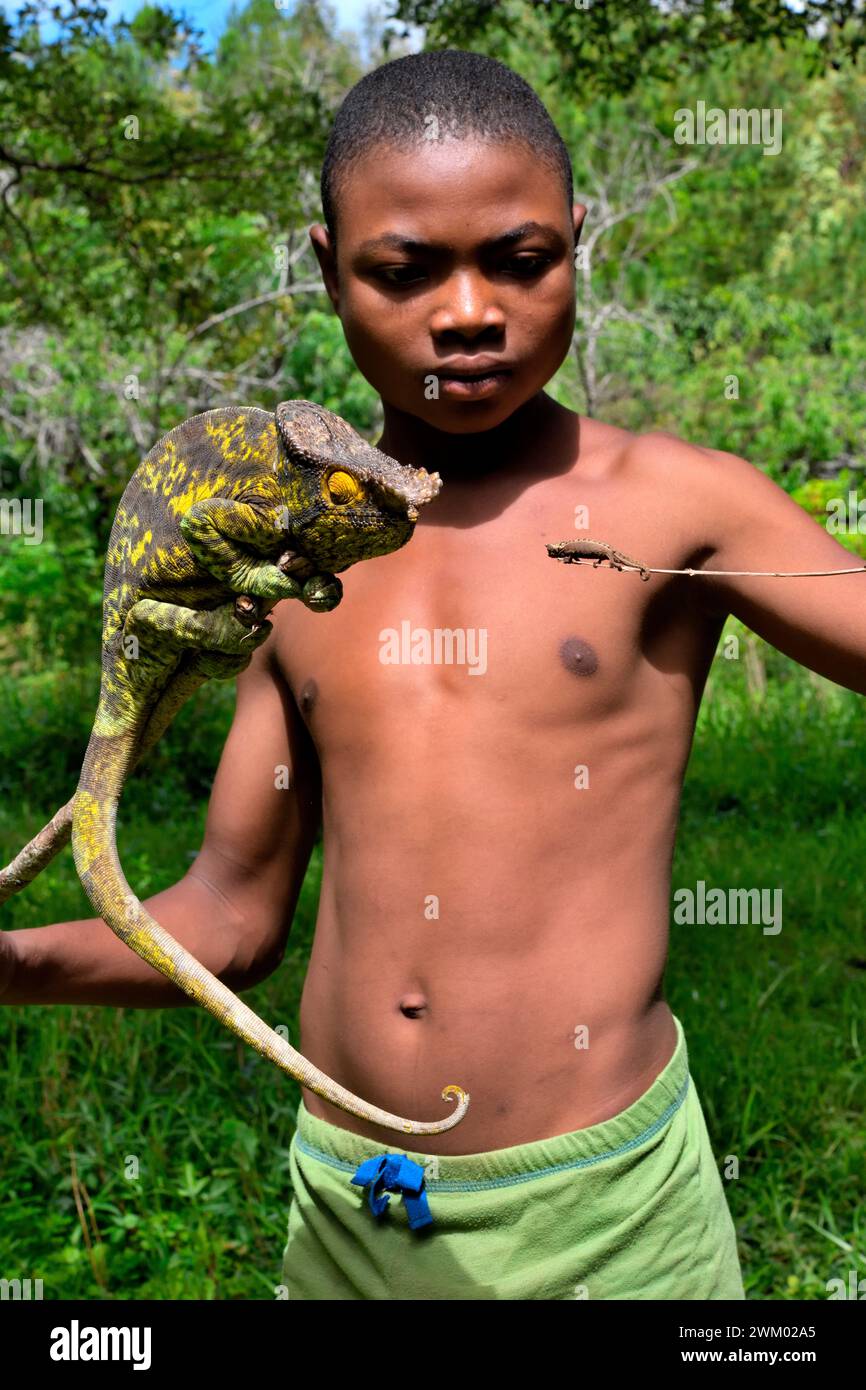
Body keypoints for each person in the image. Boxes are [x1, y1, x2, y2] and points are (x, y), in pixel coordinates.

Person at [3, 49, 864, 1300]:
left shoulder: (679, 505)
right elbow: (230, 920)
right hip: (353, 1212)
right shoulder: (292, 568)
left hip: (609, 1219)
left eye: (519, 260)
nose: (466, 311)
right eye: (403, 271)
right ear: (325, 265)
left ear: (576, 238)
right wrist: (15, 962)